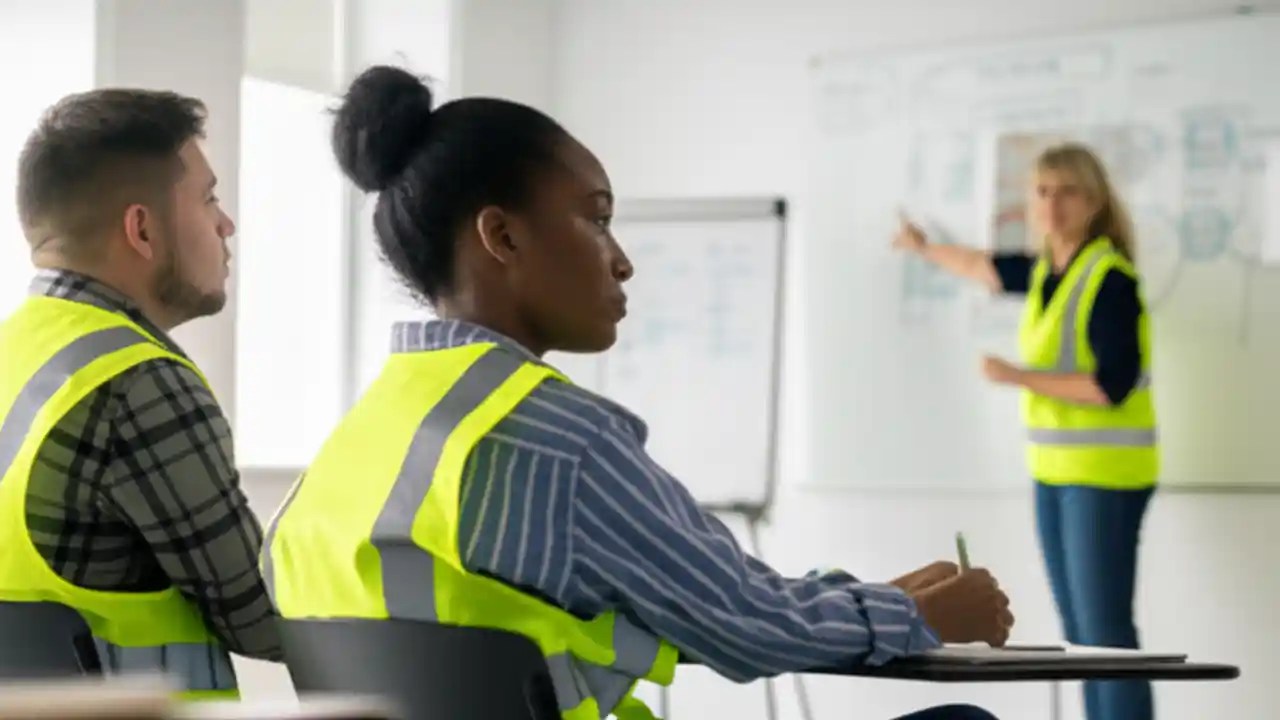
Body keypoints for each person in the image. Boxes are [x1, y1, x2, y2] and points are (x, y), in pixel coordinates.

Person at [263, 65, 1011, 720]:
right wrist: (915, 615)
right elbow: (745, 621)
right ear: (503, 237)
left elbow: (708, 592)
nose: (621, 262)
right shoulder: (558, 439)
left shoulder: (352, 448)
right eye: (596, 218)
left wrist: (868, 602)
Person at [0, 88, 281, 696]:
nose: (226, 223)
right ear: (142, 229)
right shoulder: (137, 382)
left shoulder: (14, 356)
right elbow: (264, 623)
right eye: (208, 198)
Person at [893, 142, 1156, 720]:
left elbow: (1111, 385)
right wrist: (922, 248)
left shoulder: (1109, 279)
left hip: (1105, 477)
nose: (1052, 204)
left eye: (1067, 191)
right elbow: (983, 266)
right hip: (1055, 474)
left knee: (1106, 633)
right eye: (1042, 191)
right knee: (1082, 636)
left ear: (1094, 202)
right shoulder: (1047, 272)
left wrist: (1018, 376)